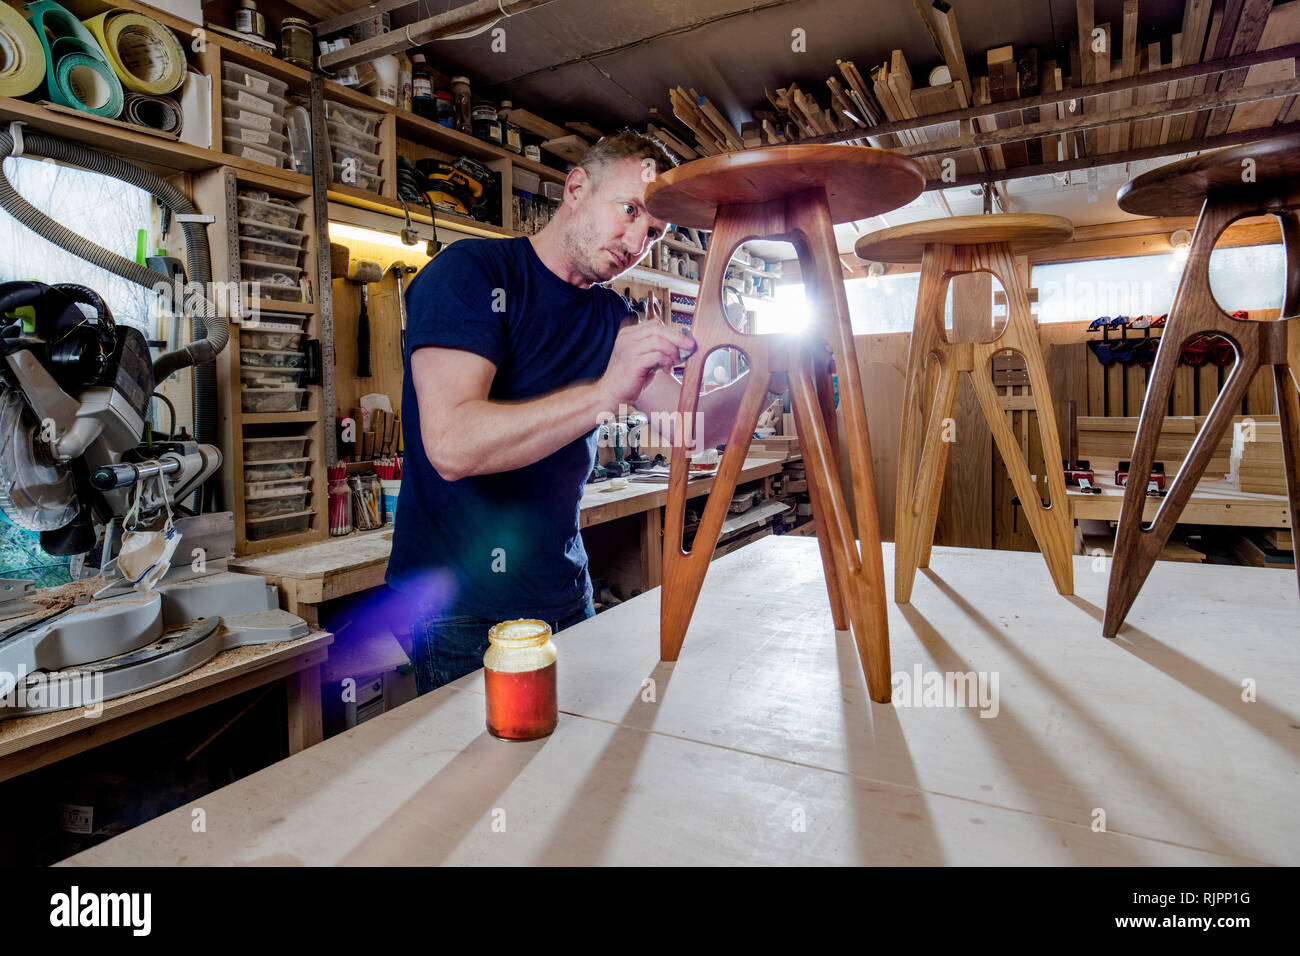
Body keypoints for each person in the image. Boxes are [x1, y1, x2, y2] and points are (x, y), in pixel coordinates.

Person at [387, 131, 748, 693]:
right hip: (463, 608)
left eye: (654, 232)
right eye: (629, 211)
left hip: (565, 592)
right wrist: (606, 392)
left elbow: (689, 426)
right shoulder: (472, 275)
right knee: (489, 778)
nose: (636, 241)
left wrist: (771, 370)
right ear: (576, 188)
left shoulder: (610, 316)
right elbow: (453, 446)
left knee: (573, 770)